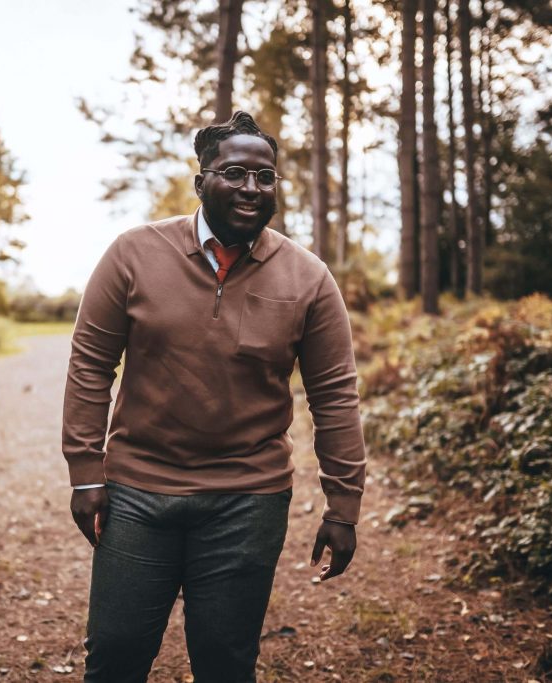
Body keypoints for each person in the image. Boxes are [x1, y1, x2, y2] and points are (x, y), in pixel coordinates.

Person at [61, 111, 367, 683]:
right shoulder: (132, 254)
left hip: (247, 500)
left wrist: (343, 506)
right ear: (200, 182)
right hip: (137, 494)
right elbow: (89, 367)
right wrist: (85, 473)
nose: (252, 188)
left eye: (265, 176)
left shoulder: (308, 278)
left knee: (226, 663)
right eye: (234, 173)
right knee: (116, 655)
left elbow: (335, 399)